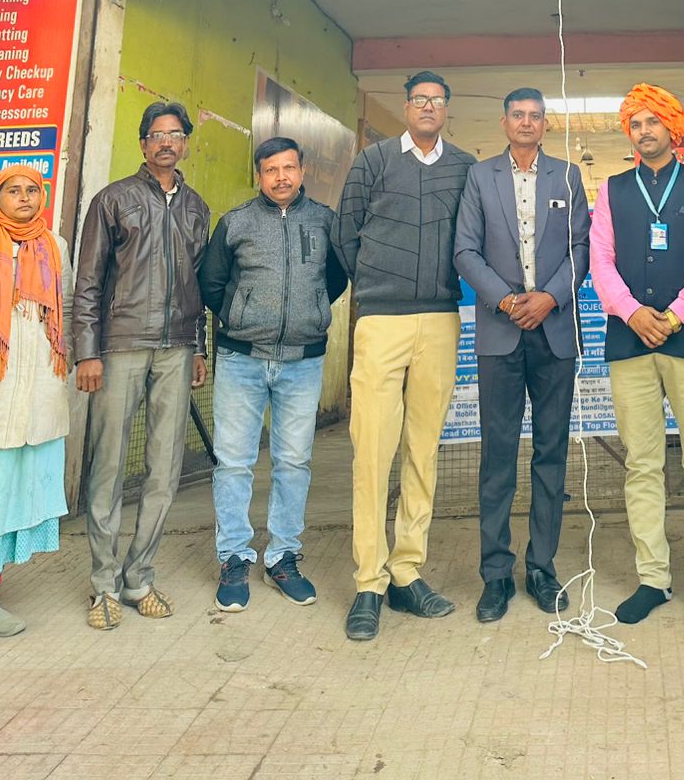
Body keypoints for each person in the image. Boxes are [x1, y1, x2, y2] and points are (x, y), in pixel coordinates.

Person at [337, 71, 475, 643]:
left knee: (423, 450)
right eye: (419, 100)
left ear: (446, 110)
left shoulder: (465, 166)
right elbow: (346, 234)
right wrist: (376, 283)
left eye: (437, 102)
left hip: (441, 319)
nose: (427, 108)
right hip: (382, 319)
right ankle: (368, 581)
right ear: (407, 107)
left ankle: (406, 573)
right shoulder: (373, 161)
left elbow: (472, 235)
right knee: (371, 449)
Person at [589, 84, 684, 631]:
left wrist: (674, 315)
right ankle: (653, 578)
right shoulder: (612, 189)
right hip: (628, 340)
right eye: (636, 124)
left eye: (654, 122)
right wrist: (630, 312)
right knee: (642, 464)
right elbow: (600, 261)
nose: (645, 131)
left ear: (674, 127)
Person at [453, 88, 590, 622]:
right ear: (504, 121)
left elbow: (583, 247)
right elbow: (465, 249)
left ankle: (542, 567)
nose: (527, 123)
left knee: (551, 454)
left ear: (546, 124)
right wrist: (509, 301)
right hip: (501, 330)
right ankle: (494, 574)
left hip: (554, 330)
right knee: (498, 456)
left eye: (536, 116)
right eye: (518, 115)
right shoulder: (480, 177)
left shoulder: (568, 177)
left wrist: (551, 297)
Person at [73, 100, 210, 629]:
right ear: (143, 144)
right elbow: (87, 281)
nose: (166, 142)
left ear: (185, 143)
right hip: (121, 345)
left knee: (165, 467)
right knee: (108, 465)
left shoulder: (197, 208)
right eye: (157, 134)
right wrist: (88, 350)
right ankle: (102, 584)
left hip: (176, 348)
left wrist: (197, 345)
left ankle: (139, 578)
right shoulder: (114, 200)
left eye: (175, 134)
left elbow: (198, 287)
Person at [199, 136, 348, 612]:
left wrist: (312, 310)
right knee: (234, 462)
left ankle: (283, 557)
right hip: (241, 359)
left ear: (302, 170)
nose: (281, 177)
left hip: (303, 361)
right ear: (258, 175)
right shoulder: (235, 222)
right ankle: (234, 558)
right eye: (271, 169)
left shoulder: (326, 222)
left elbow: (337, 277)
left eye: (289, 168)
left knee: (293, 462)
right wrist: (241, 317)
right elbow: (212, 282)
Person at [0, 167, 69, 652]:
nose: (24, 198)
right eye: (13, 191)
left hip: (35, 404)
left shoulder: (55, 246)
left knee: (9, 506)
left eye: (31, 190)